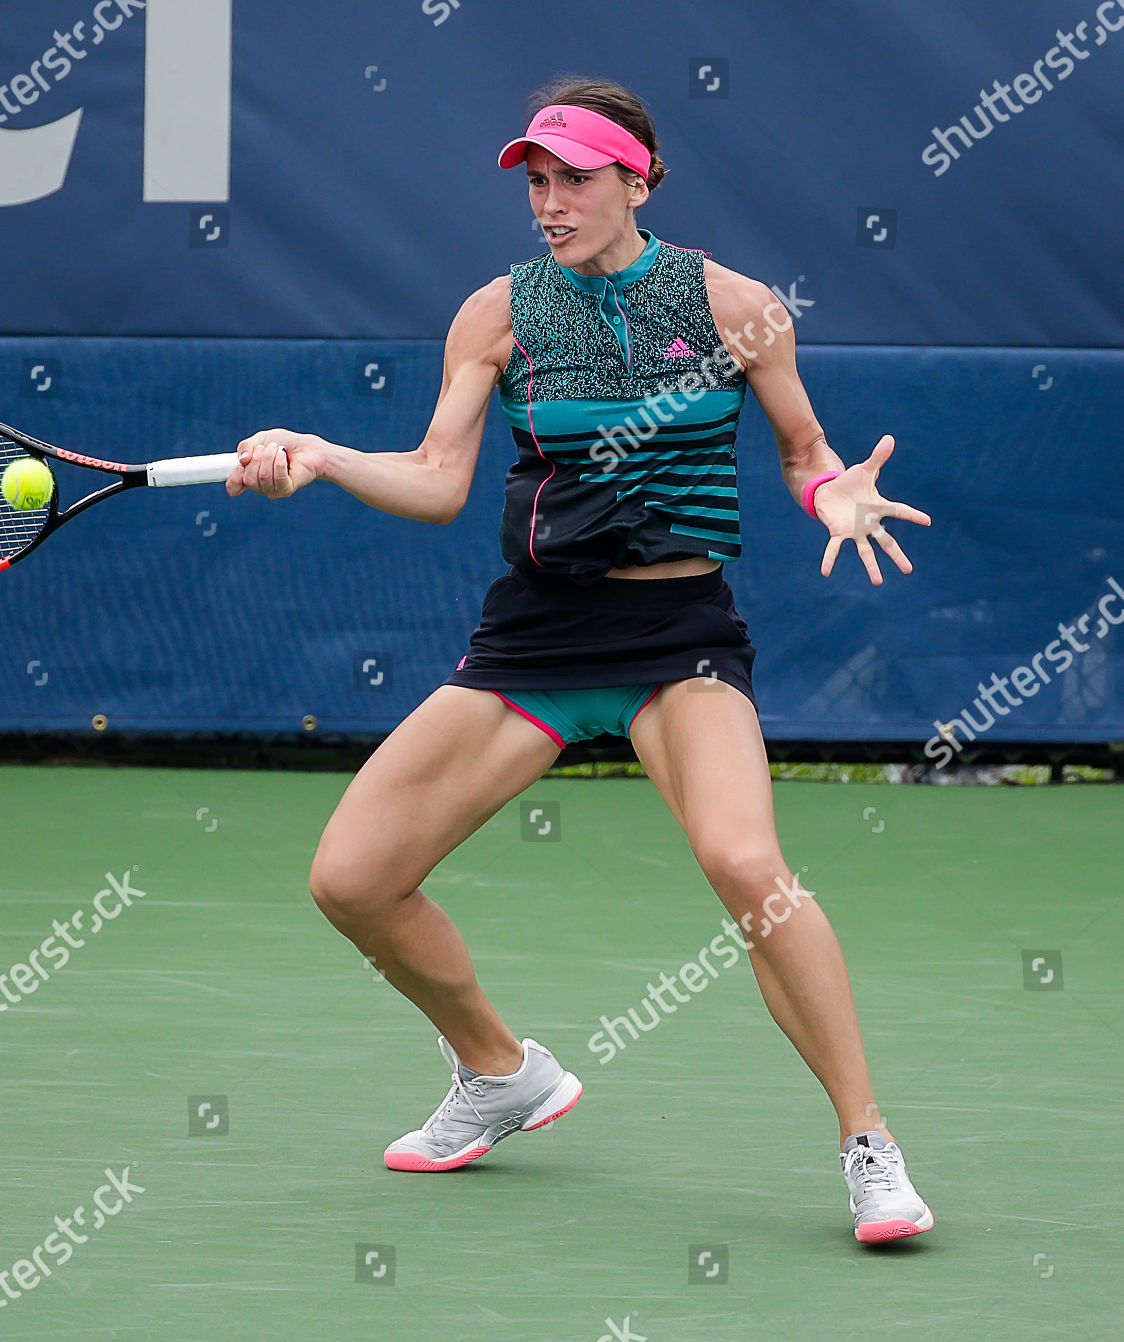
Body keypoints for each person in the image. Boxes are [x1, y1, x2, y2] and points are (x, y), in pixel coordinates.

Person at [226, 76, 934, 1245]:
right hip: (537, 639)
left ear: (638, 179)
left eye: (575, 180)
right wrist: (327, 454)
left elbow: (807, 451)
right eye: (536, 182)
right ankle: (501, 1072)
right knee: (351, 879)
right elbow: (440, 477)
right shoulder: (496, 314)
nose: (550, 203)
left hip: (679, 641)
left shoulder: (735, 305)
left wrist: (832, 495)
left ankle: (869, 1142)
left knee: (748, 866)